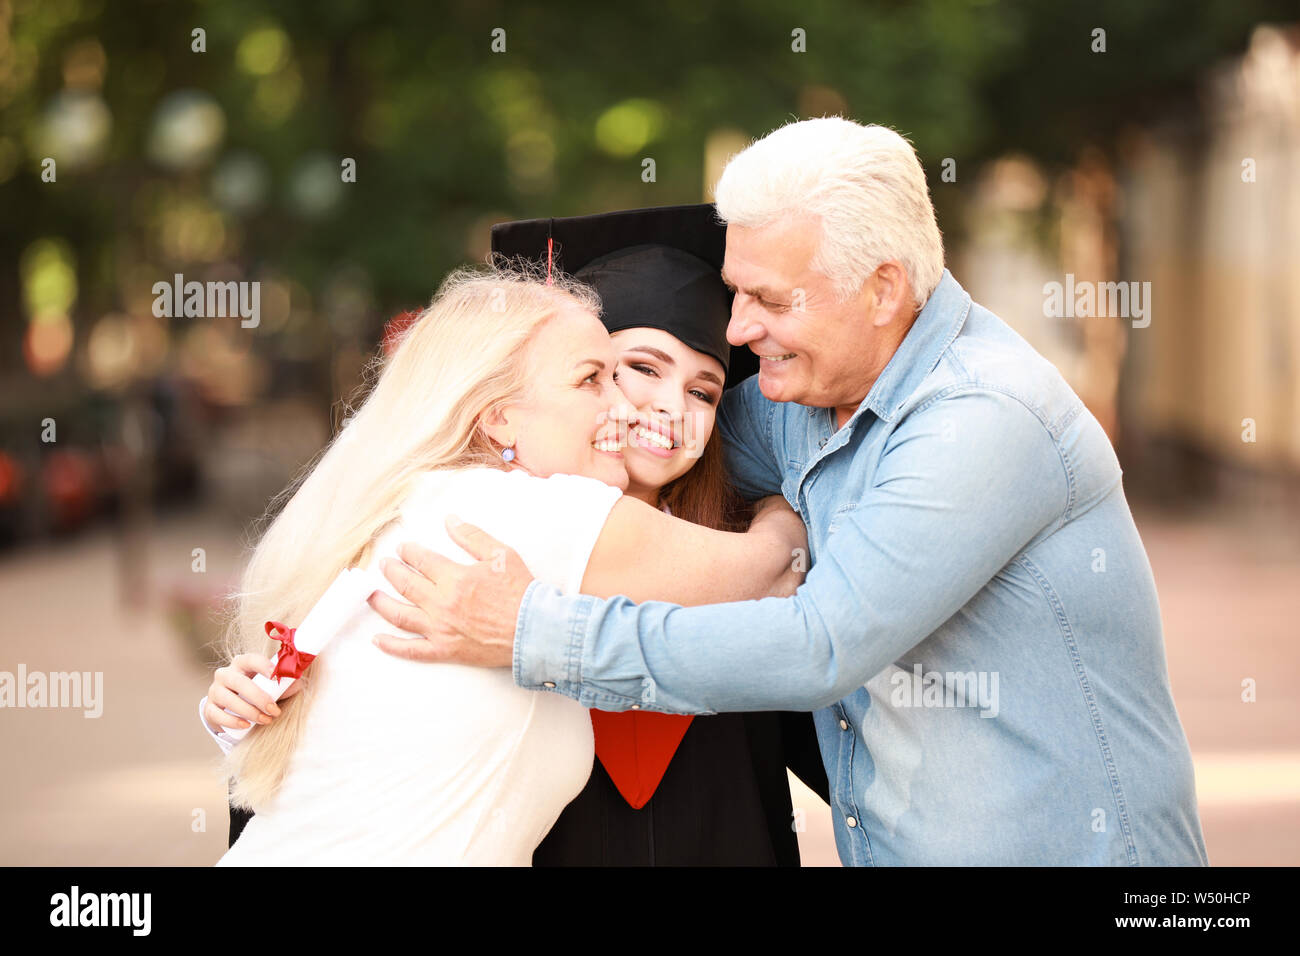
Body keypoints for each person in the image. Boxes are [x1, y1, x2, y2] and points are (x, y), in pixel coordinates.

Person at [366, 117, 1210, 866]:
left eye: (770, 300)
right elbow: (633, 441)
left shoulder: (981, 417)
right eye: (736, 293)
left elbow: (820, 645)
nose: (735, 332)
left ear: (883, 289)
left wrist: (529, 630)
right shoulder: (798, 399)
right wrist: (306, 636)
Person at [198, 265, 809, 865]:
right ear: (497, 415)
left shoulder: (419, 503)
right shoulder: (509, 512)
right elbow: (771, 574)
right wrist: (787, 497)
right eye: (601, 378)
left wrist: (239, 707)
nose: (628, 407)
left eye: (703, 391)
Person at [492, 204, 829, 866]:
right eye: (642, 368)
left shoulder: (756, 557)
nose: (672, 408)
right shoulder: (488, 545)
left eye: (705, 391)